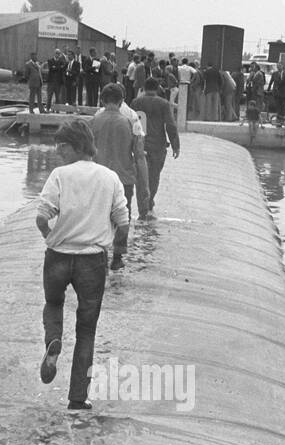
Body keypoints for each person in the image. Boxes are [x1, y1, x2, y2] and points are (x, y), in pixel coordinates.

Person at [36, 118, 130, 412]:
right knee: (86, 330)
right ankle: (78, 397)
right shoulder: (110, 177)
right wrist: (116, 256)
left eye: (62, 147)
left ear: (76, 146)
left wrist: (52, 238)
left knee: (53, 303)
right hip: (92, 259)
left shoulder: (60, 176)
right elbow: (123, 223)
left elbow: (41, 217)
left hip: (58, 256)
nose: (59, 153)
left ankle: (53, 340)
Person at [130, 77, 180, 215]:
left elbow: (132, 124)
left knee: (141, 176)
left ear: (144, 88)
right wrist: (176, 145)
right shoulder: (163, 103)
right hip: (158, 145)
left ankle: (143, 203)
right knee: (154, 175)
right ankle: (150, 199)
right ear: (158, 88)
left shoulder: (136, 102)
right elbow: (170, 125)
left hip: (140, 145)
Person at [91, 83, 140, 219]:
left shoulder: (93, 121)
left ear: (102, 100)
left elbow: (83, 155)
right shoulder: (132, 120)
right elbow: (140, 156)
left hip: (98, 181)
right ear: (121, 101)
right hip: (124, 180)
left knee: (100, 222)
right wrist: (144, 187)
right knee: (122, 223)